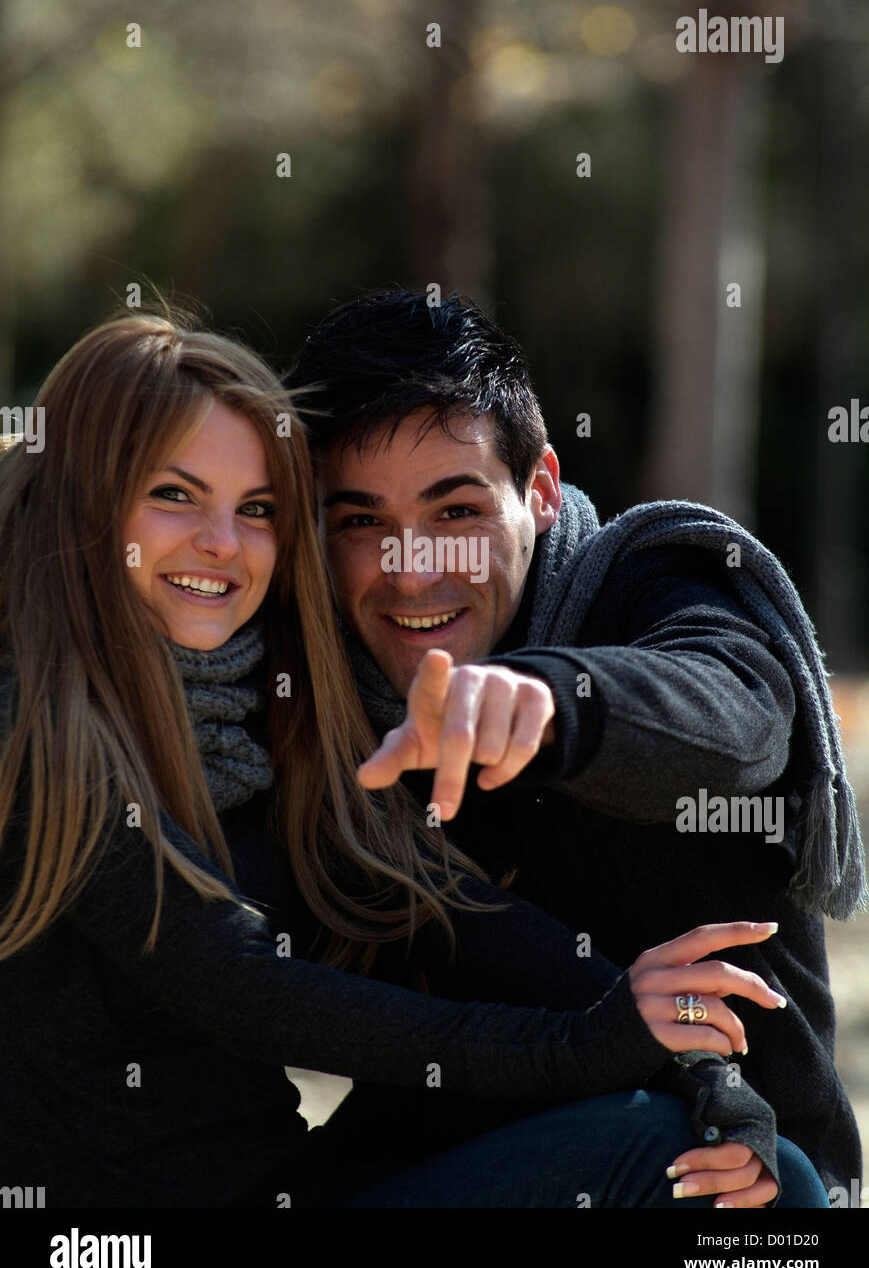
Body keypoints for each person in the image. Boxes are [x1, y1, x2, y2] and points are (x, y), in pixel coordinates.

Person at [0, 310, 827, 1209]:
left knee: (759, 1185)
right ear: (85, 501)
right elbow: (242, 983)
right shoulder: (38, 724)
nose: (223, 543)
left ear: (541, 489)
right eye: (173, 494)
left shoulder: (257, 712)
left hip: (303, 1180)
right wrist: (586, 1047)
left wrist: (701, 1067)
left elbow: (436, 907)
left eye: (257, 510)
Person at [286, 288, 867, 1204]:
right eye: (360, 522)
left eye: (456, 512)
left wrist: (549, 703)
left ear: (543, 491)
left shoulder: (650, 582)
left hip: (741, 1173)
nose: (412, 570)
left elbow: (742, 717)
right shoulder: (308, 699)